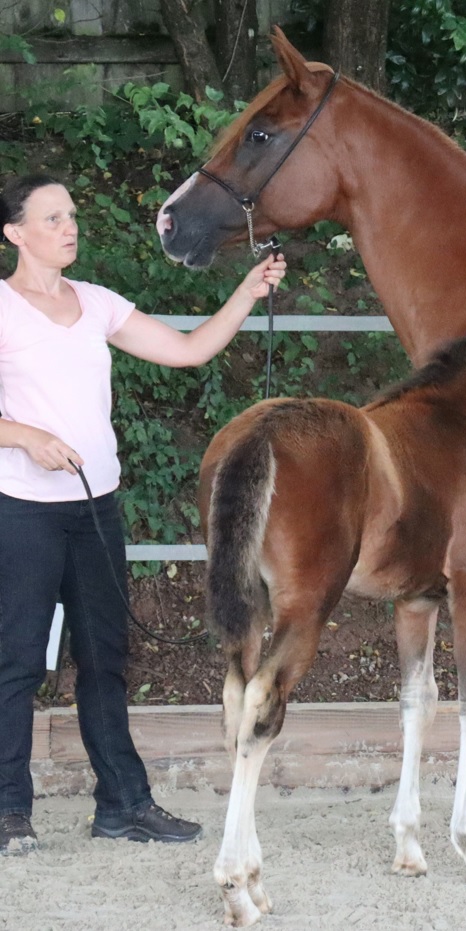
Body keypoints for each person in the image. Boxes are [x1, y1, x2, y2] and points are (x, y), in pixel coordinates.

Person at [0, 173, 285, 856]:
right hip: (24, 513)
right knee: (15, 664)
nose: (70, 226)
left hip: (97, 510)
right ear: (15, 233)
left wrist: (245, 292)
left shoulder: (96, 303)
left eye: (71, 214)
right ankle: (10, 811)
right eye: (52, 218)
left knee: (107, 660)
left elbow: (187, 350)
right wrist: (23, 436)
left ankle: (122, 805)